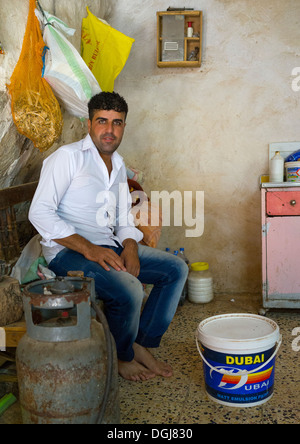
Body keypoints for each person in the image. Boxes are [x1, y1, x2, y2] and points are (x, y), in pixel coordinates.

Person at [29, 92, 188, 382]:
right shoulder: (67, 158)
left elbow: (123, 217)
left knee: (176, 269)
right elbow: (40, 213)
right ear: (89, 124)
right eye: (102, 121)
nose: (110, 130)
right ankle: (121, 356)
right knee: (129, 289)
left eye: (117, 123)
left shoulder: (118, 165)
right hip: (67, 253)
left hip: (107, 246)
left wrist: (129, 244)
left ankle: (140, 343)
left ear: (124, 127)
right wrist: (89, 249)